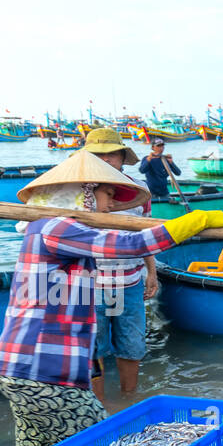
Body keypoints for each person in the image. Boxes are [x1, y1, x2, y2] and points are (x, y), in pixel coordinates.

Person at [0, 152, 223, 446]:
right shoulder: (55, 227)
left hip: (23, 370)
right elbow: (129, 245)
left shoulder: (53, 231)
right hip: (40, 374)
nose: (109, 206)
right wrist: (192, 221)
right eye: (105, 196)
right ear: (83, 194)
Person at [81, 128, 156, 400]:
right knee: (94, 347)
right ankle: (100, 406)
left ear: (122, 157)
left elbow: (145, 235)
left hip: (130, 281)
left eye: (111, 154)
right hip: (91, 284)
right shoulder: (77, 194)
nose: (105, 160)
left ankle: (129, 399)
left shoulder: (139, 191)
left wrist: (152, 272)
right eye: (98, 155)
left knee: (132, 344)